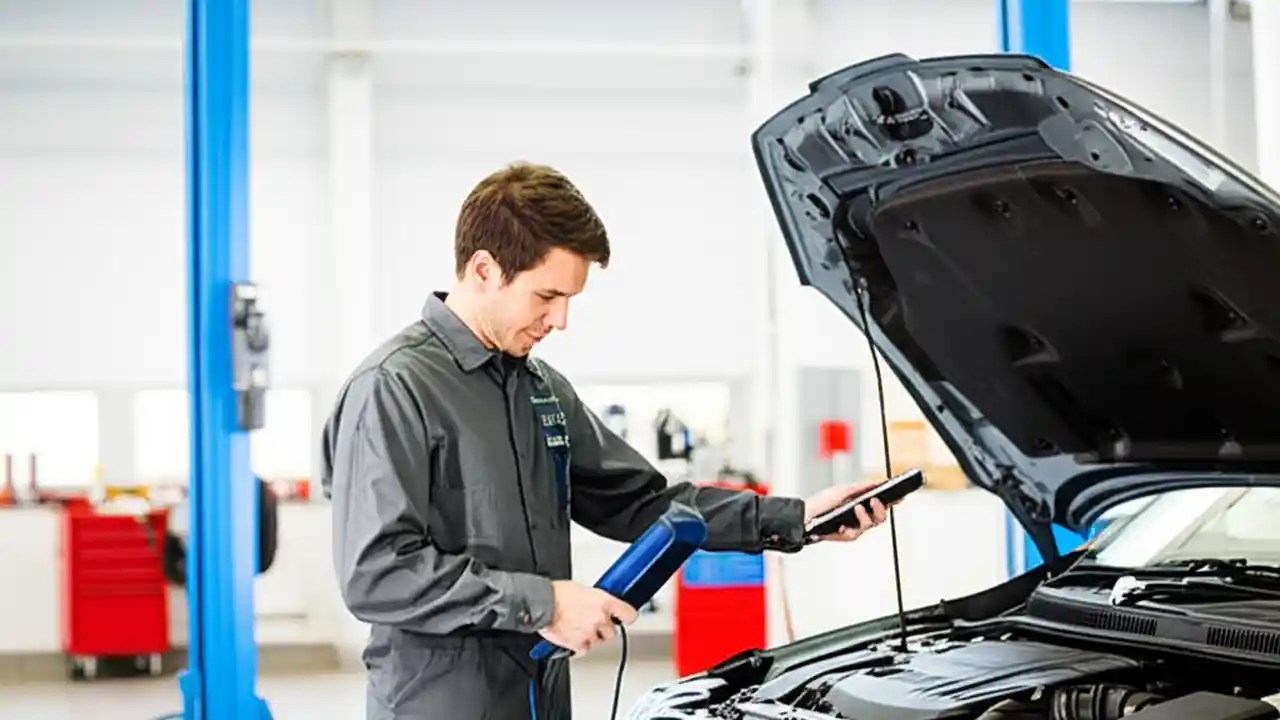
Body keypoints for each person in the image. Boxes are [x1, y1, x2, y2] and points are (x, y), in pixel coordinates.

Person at [319, 162, 894, 720]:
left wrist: (793, 517)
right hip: (440, 704)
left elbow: (640, 502)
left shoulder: (540, 387)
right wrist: (543, 604)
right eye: (546, 297)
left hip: (542, 695)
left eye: (570, 299)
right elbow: (377, 573)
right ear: (484, 270)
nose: (561, 320)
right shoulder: (392, 388)